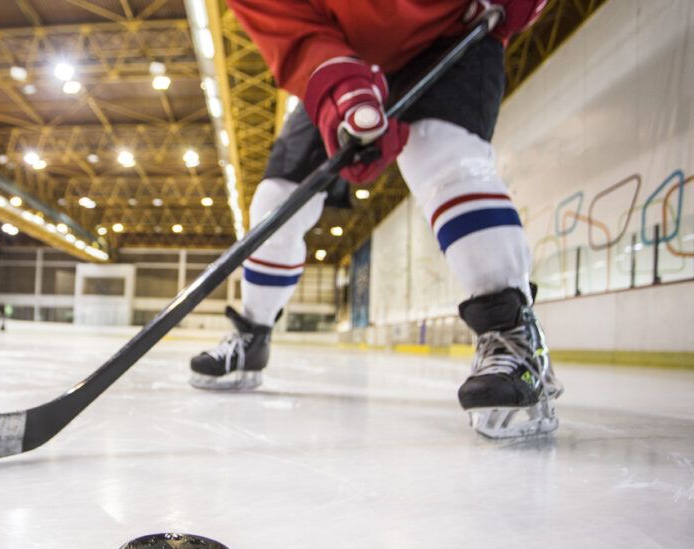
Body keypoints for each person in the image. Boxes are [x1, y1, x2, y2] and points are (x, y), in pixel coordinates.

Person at [189, 0, 563, 439]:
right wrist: (343, 93)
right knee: (277, 199)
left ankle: (512, 334)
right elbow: (297, 32)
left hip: (453, 29)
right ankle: (253, 336)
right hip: (345, 57)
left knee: (444, 155)